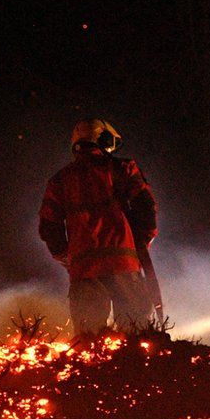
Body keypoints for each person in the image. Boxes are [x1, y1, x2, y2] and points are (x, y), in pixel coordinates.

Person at [38, 119, 158, 338]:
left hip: (84, 270)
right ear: (102, 139)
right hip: (124, 264)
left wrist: (68, 257)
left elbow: (48, 226)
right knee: (136, 336)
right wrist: (142, 242)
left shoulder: (59, 181)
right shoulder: (123, 169)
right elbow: (146, 208)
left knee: (88, 342)